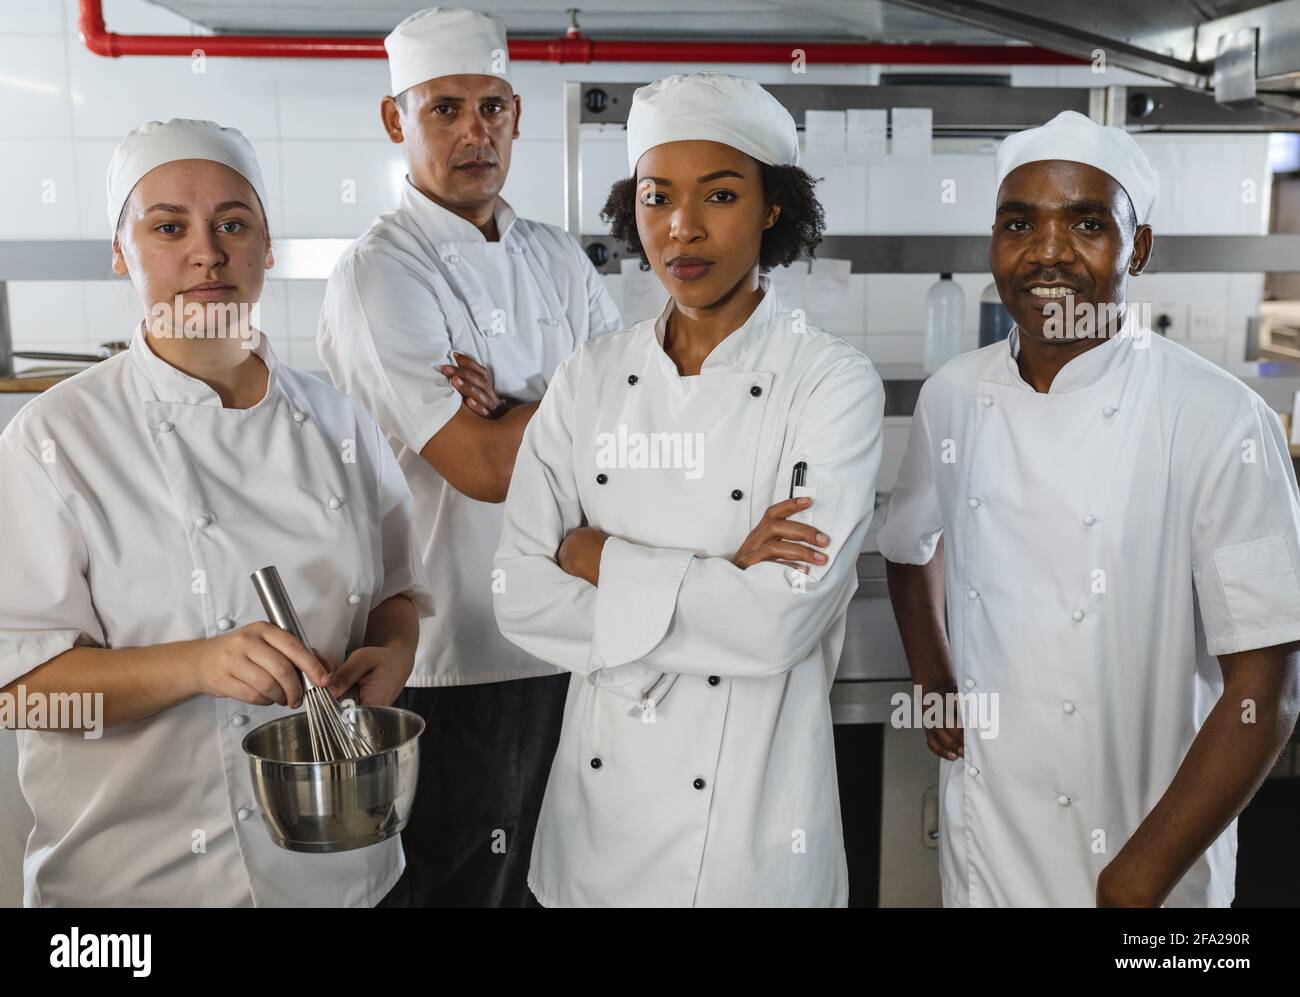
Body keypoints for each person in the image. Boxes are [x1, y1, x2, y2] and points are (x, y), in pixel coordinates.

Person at [0, 119, 433, 907]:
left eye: (234, 224)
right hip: (137, 881)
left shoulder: (339, 422)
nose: (208, 252)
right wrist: (197, 665)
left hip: (345, 871)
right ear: (120, 251)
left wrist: (393, 654)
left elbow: (396, 593)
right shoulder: (55, 439)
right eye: (169, 227)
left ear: (267, 247)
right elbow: (18, 689)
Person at [878, 110, 1300, 908]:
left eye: (1087, 223)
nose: (1046, 252)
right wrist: (931, 670)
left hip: (1154, 859)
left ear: (1136, 248)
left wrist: (1135, 879)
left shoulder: (1218, 419)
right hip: (988, 850)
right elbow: (907, 544)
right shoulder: (955, 397)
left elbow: (1268, 687)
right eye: (1017, 223)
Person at [493, 72, 885, 906]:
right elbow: (519, 595)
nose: (682, 227)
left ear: (772, 206)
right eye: (656, 195)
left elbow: (777, 619)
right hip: (595, 835)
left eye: (720, 194)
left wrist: (596, 554)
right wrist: (720, 571)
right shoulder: (589, 377)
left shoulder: (830, 383)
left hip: (752, 835)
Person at [317, 6, 623, 907]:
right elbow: (483, 467)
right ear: (395, 120)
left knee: (552, 883)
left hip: (570, 640)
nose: (473, 131)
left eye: (491, 107)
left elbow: (633, 426)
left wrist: (523, 403)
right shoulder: (382, 271)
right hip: (454, 653)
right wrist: (574, 397)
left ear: (518, 115)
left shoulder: (556, 257)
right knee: (459, 885)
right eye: (443, 108)